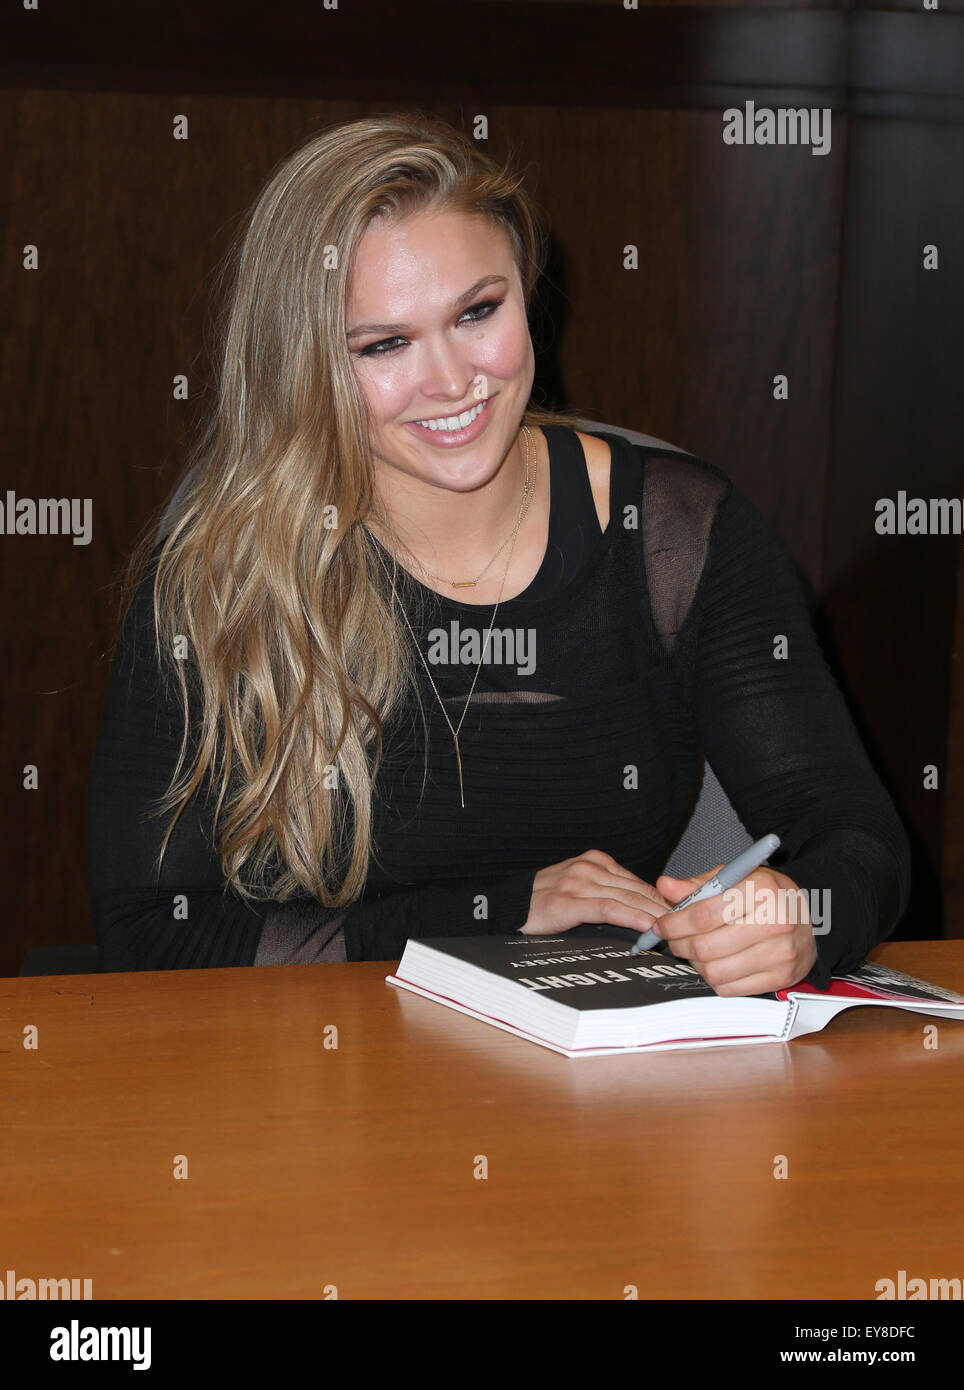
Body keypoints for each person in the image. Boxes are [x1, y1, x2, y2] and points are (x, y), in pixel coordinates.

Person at [85, 111, 911, 993]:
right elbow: (151, 933)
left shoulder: (679, 534)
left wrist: (801, 916)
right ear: (305, 367)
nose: (451, 380)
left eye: (478, 312)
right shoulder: (218, 574)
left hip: (592, 1086)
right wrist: (498, 908)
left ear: (526, 293)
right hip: (316, 1080)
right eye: (384, 345)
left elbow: (855, 833)